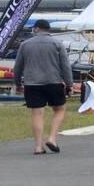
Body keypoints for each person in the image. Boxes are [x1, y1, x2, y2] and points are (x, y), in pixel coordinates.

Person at [13, 19, 73, 155]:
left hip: (32, 83)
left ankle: (38, 147)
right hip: (54, 82)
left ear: (37, 29)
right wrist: (69, 84)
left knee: (37, 113)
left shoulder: (25, 45)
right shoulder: (57, 44)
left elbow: (18, 67)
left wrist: (17, 83)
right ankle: (52, 138)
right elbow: (65, 66)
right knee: (59, 109)